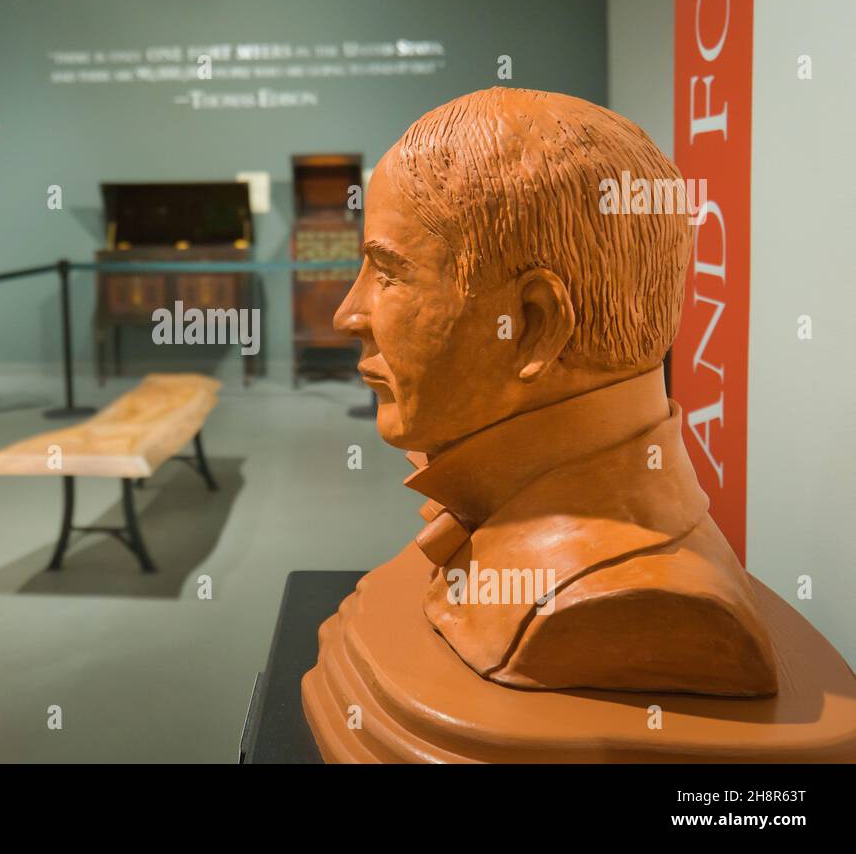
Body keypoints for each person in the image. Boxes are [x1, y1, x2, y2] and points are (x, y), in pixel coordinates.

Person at [331, 87, 775, 696]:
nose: (348, 314)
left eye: (388, 275)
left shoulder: (621, 604)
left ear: (534, 325)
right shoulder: (505, 516)